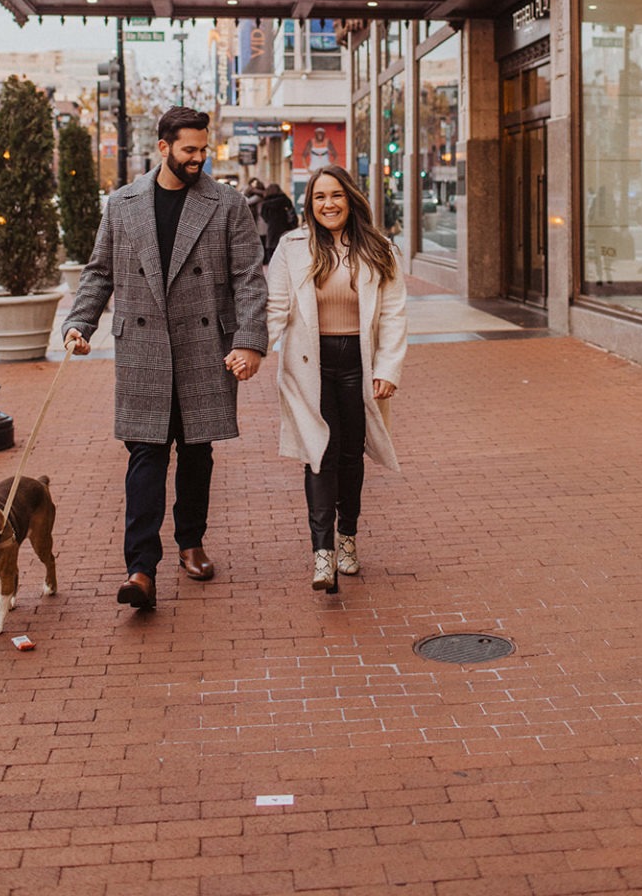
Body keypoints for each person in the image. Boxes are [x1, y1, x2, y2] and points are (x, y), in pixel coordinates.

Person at [64, 106, 267, 612]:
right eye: (189, 150)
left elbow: (249, 277)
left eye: (204, 149)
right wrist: (77, 324)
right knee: (146, 456)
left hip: (205, 347)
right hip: (143, 347)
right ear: (163, 148)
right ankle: (140, 568)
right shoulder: (123, 203)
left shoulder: (227, 203)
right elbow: (99, 271)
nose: (199, 158)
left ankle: (191, 542)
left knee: (197, 451)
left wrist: (249, 340)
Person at [260, 165, 407, 593]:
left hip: (358, 366)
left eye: (336, 196)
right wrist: (252, 353)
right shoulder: (292, 247)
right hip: (310, 364)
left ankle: (348, 539)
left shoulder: (380, 249)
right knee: (319, 452)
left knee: (350, 457)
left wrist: (387, 369)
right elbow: (277, 308)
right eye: (320, 197)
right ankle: (322, 552)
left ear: (351, 199)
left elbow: (394, 315)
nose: (329, 204)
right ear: (310, 205)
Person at [259, 181, 297, 265]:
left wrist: (270, 221)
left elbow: (263, 215)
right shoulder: (285, 200)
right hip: (285, 228)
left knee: (272, 252)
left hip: (272, 230)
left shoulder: (265, 203)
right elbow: (292, 214)